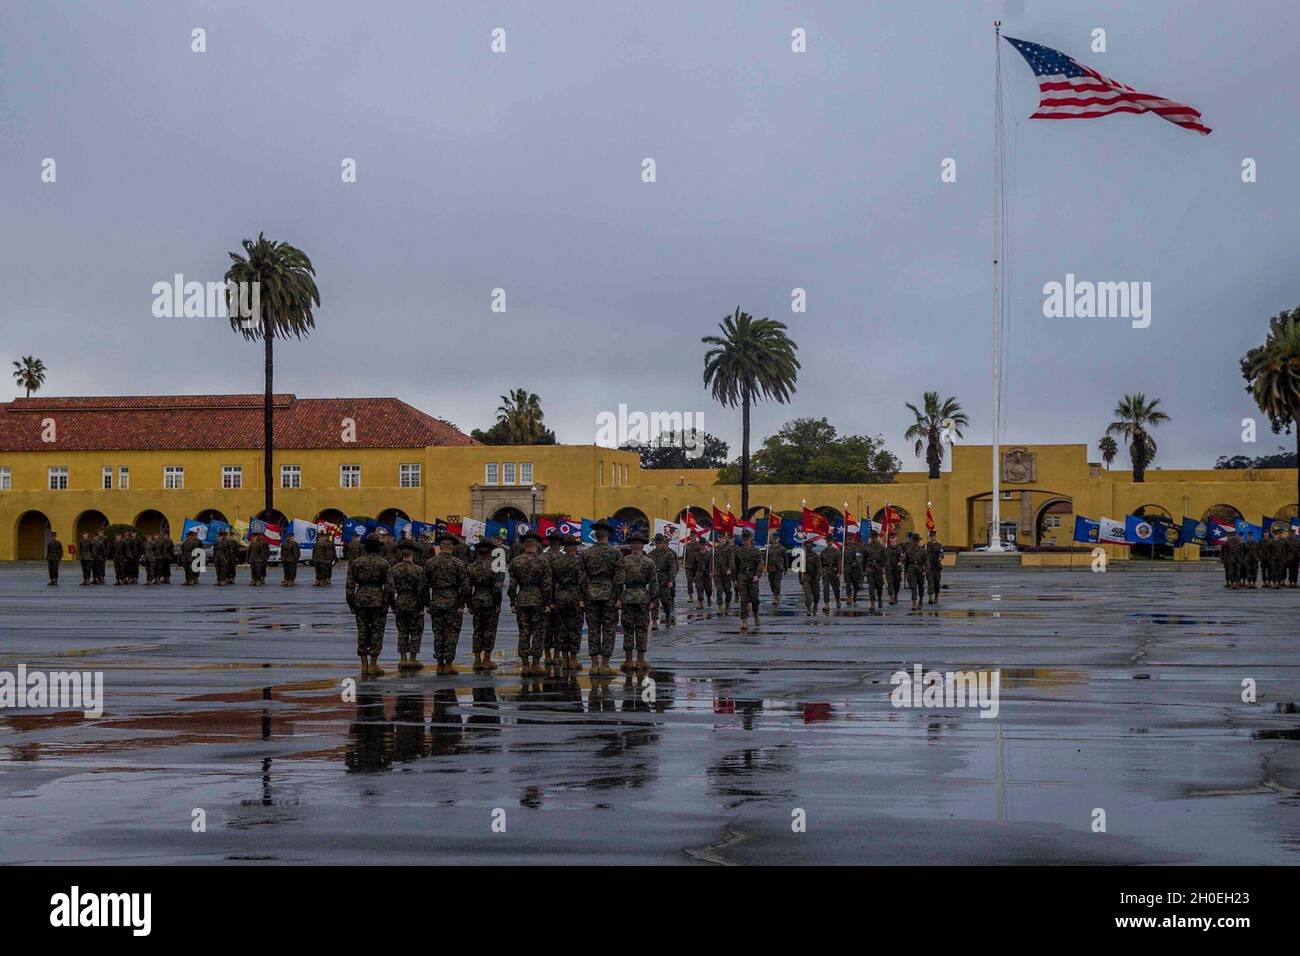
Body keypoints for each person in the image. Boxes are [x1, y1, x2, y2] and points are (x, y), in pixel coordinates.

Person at [347, 535, 395, 677]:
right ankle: (373, 664)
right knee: (376, 632)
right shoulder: (384, 563)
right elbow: (389, 587)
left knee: (362, 631)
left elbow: (349, 586)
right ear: (379, 548)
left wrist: (351, 603)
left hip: (361, 598)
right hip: (377, 599)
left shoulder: (356, 563)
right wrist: (388, 603)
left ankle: (363, 664)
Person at [580, 520, 623, 675]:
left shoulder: (586, 553)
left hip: (591, 594)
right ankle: (605, 665)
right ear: (608, 534)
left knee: (593, 629)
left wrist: (582, 597)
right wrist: (619, 598)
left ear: (595, 534)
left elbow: (582, 577)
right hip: (609, 594)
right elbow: (619, 578)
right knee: (609, 629)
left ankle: (593, 665)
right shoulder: (615, 553)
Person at [425, 532, 469, 675]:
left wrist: (427, 604)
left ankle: (439, 664)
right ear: (452, 546)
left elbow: (423, 585)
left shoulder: (431, 562)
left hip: (436, 599)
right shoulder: (458, 563)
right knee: (451, 633)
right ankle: (448, 664)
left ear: (441, 546)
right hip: (453, 601)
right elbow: (465, 587)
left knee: (438, 632)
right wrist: (462, 605)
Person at [509, 531, 552, 676]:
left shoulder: (516, 561)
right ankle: (535, 664)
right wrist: (547, 603)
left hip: (522, 599)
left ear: (524, 544)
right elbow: (546, 585)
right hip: (538, 599)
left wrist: (512, 602)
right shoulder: (543, 561)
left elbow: (512, 585)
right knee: (538, 632)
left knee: (524, 632)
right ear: (536, 544)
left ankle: (525, 665)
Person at [617, 531, 658, 673]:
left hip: (627, 596)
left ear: (631, 546)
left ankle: (628, 661)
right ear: (642, 545)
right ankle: (640, 660)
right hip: (642, 597)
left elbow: (618, 581)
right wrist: (653, 599)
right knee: (641, 629)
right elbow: (653, 582)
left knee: (628, 629)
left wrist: (618, 598)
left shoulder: (623, 561)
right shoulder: (649, 562)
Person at [549, 535, 587, 671]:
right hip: (575, 597)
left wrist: (552, 601)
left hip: (560, 597)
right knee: (575, 628)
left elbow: (552, 583)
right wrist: (583, 599)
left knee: (561, 628)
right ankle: (573, 659)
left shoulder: (557, 562)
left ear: (564, 547)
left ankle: (564, 659)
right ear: (575, 547)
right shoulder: (579, 562)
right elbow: (583, 582)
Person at [467, 539, 504, 671]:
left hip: (477, 599)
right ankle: (486, 659)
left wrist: (469, 603)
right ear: (491, 550)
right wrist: (498, 604)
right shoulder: (495, 566)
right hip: (490, 600)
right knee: (489, 630)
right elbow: (497, 587)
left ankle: (477, 660)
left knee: (477, 630)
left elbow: (467, 587)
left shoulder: (471, 566)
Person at [391, 540, 428, 671]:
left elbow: (390, 589)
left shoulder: (394, 569)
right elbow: (422, 590)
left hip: (400, 600)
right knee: (416, 631)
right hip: (415, 601)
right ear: (413, 553)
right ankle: (412, 658)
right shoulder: (418, 570)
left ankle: (402, 658)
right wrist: (424, 605)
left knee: (402, 630)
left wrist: (393, 605)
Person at [734, 528, 763, 631]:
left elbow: (760, 564)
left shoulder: (756, 551)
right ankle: (744, 621)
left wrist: (757, 575)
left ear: (750, 539)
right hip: (742, 576)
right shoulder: (738, 551)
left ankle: (756, 614)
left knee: (754, 599)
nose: (745, 541)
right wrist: (735, 579)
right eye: (744, 539)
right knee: (744, 599)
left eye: (747, 539)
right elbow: (736, 566)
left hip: (753, 576)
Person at [650, 534, 678, 629]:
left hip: (664, 580)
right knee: (654, 601)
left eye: (659, 543)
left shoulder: (669, 554)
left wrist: (671, 580)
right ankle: (654, 621)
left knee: (666, 601)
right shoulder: (651, 554)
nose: (657, 545)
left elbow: (673, 568)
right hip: (654, 581)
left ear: (663, 543)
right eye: (656, 543)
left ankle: (667, 616)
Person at [862, 528, 886, 611]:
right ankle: (872, 603)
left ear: (877, 537)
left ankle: (879, 598)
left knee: (879, 586)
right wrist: (863, 570)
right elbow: (864, 559)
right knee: (871, 586)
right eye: (872, 537)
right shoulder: (867, 547)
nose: (874, 539)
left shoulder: (882, 547)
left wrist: (883, 568)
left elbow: (885, 558)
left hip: (878, 568)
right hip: (870, 567)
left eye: (875, 537)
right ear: (870, 537)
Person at [819, 534, 843, 614]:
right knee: (826, 588)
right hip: (826, 571)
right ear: (826, 541)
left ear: (832, 541)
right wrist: (821, 572)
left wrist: (839, 572)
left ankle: (838, 600)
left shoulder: (837, 551)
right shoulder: (823, 552)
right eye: (827, 541)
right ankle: (826, 604)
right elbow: (821, 563)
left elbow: (839, 563)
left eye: (830, 541)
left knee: (836, 588)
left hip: (834, 571)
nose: (829, 542)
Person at [904, 532, 927, 611]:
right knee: (913, 586)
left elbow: (926, 562)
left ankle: (920, 600)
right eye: (914, 540)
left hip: (920, 569)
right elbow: (906, 562)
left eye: (917, 540)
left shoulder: (923, 550)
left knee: (921, 587)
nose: (915, 542)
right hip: (912, 568)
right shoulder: (908, 550)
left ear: (919, 541)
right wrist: (906, 573)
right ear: (912, 541)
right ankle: (914, 602)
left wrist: (925, 570)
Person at [713, 533, 735, 614]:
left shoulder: (729, 548)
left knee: (727, 591)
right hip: (717, 573)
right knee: (719, 590)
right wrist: (711, 571)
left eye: (721, 537)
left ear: (724, 537)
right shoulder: (716, 548)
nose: (720, 538)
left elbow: (731, 560)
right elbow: (712, 560)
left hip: (726, 573)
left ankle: (727, 605)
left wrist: (730, 569)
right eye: (719, 537)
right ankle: (720, 607)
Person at [800, 536, 821, 615]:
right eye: (807, 547)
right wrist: (801, 578)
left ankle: (815, 605)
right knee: (808, 594)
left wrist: (818, 576)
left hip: (815, 577)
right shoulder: (802, 556)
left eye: (809, 547)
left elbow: (819, 567)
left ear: (812, 547)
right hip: (806, 577)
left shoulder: (816, 556)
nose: (808, 548)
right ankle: (808, 609)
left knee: (816, 594)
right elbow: (800, 569)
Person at [692, 538, 714, 608]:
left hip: (707, 574)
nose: (701, 546)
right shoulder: (696, 554)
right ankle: (700, 603)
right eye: (700, 544)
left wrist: (710, 572)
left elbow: (711, 564)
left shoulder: (709, 554)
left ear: (705, 545)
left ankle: (708, 598)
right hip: (698, 573)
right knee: (699, 588)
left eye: (703, 544)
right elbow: (694, 565)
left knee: (708, 589)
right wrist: (693, 576)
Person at [924, 530, 945, 604]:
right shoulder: (927, 545)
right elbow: (924, 555)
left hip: (936, 566)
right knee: (930, 582)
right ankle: (930, 597)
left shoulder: (939, 545)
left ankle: (936, 595)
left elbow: (942, 553)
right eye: (931, 536)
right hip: (929, 566)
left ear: (936, 536)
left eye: (933, 536)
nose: (932, 537)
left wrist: (940, 557)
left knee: (937, 582)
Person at [766, 535, 786, 606]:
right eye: (773, 539)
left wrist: (785, 568)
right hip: (771, 568)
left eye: (776, 539)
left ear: (778, 539)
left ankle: (776, 597)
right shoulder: (769, 549)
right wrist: (765, 567)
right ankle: (775, 593)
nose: (775, 540)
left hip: (779, 568)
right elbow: (766, 559)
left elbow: (785, 559)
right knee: (771, 583)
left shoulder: (782, 549)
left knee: (777, 582)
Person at [845, 532, 864, 603]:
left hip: (854, 568)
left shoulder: (856, 548)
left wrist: (855, 562)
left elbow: (859, 557)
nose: (849, 540)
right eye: (848, 539)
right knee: (848, 583)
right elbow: (841, 558)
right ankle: (849, 597)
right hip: (847, 568)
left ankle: (855, 593)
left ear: (853, 540)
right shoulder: (844, 548)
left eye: (851, 539)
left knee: (855, 584)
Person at [885, 533, 903, 605]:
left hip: (897, 569)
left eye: (893, 538)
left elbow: (902, 556)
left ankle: (895, 595)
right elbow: (883, 557)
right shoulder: (886, 549)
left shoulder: (899, 548)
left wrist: (900, 561)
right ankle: (891, 597)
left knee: (897, 583)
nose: (892, 540)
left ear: (896, 539)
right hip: (889, 568)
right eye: (891, 538)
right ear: (889, 539)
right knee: (890, 583)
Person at [683, 536, 700, 602]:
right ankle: (690, 596)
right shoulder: (686, 545)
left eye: (694, 535)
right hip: (689, 566)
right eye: (692, 535)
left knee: (698, 582)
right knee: (689, 581)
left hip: (697, 566)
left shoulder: (699, 545)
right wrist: (683, 563)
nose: (693, 537)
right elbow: (685, 556)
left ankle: (699, 596)